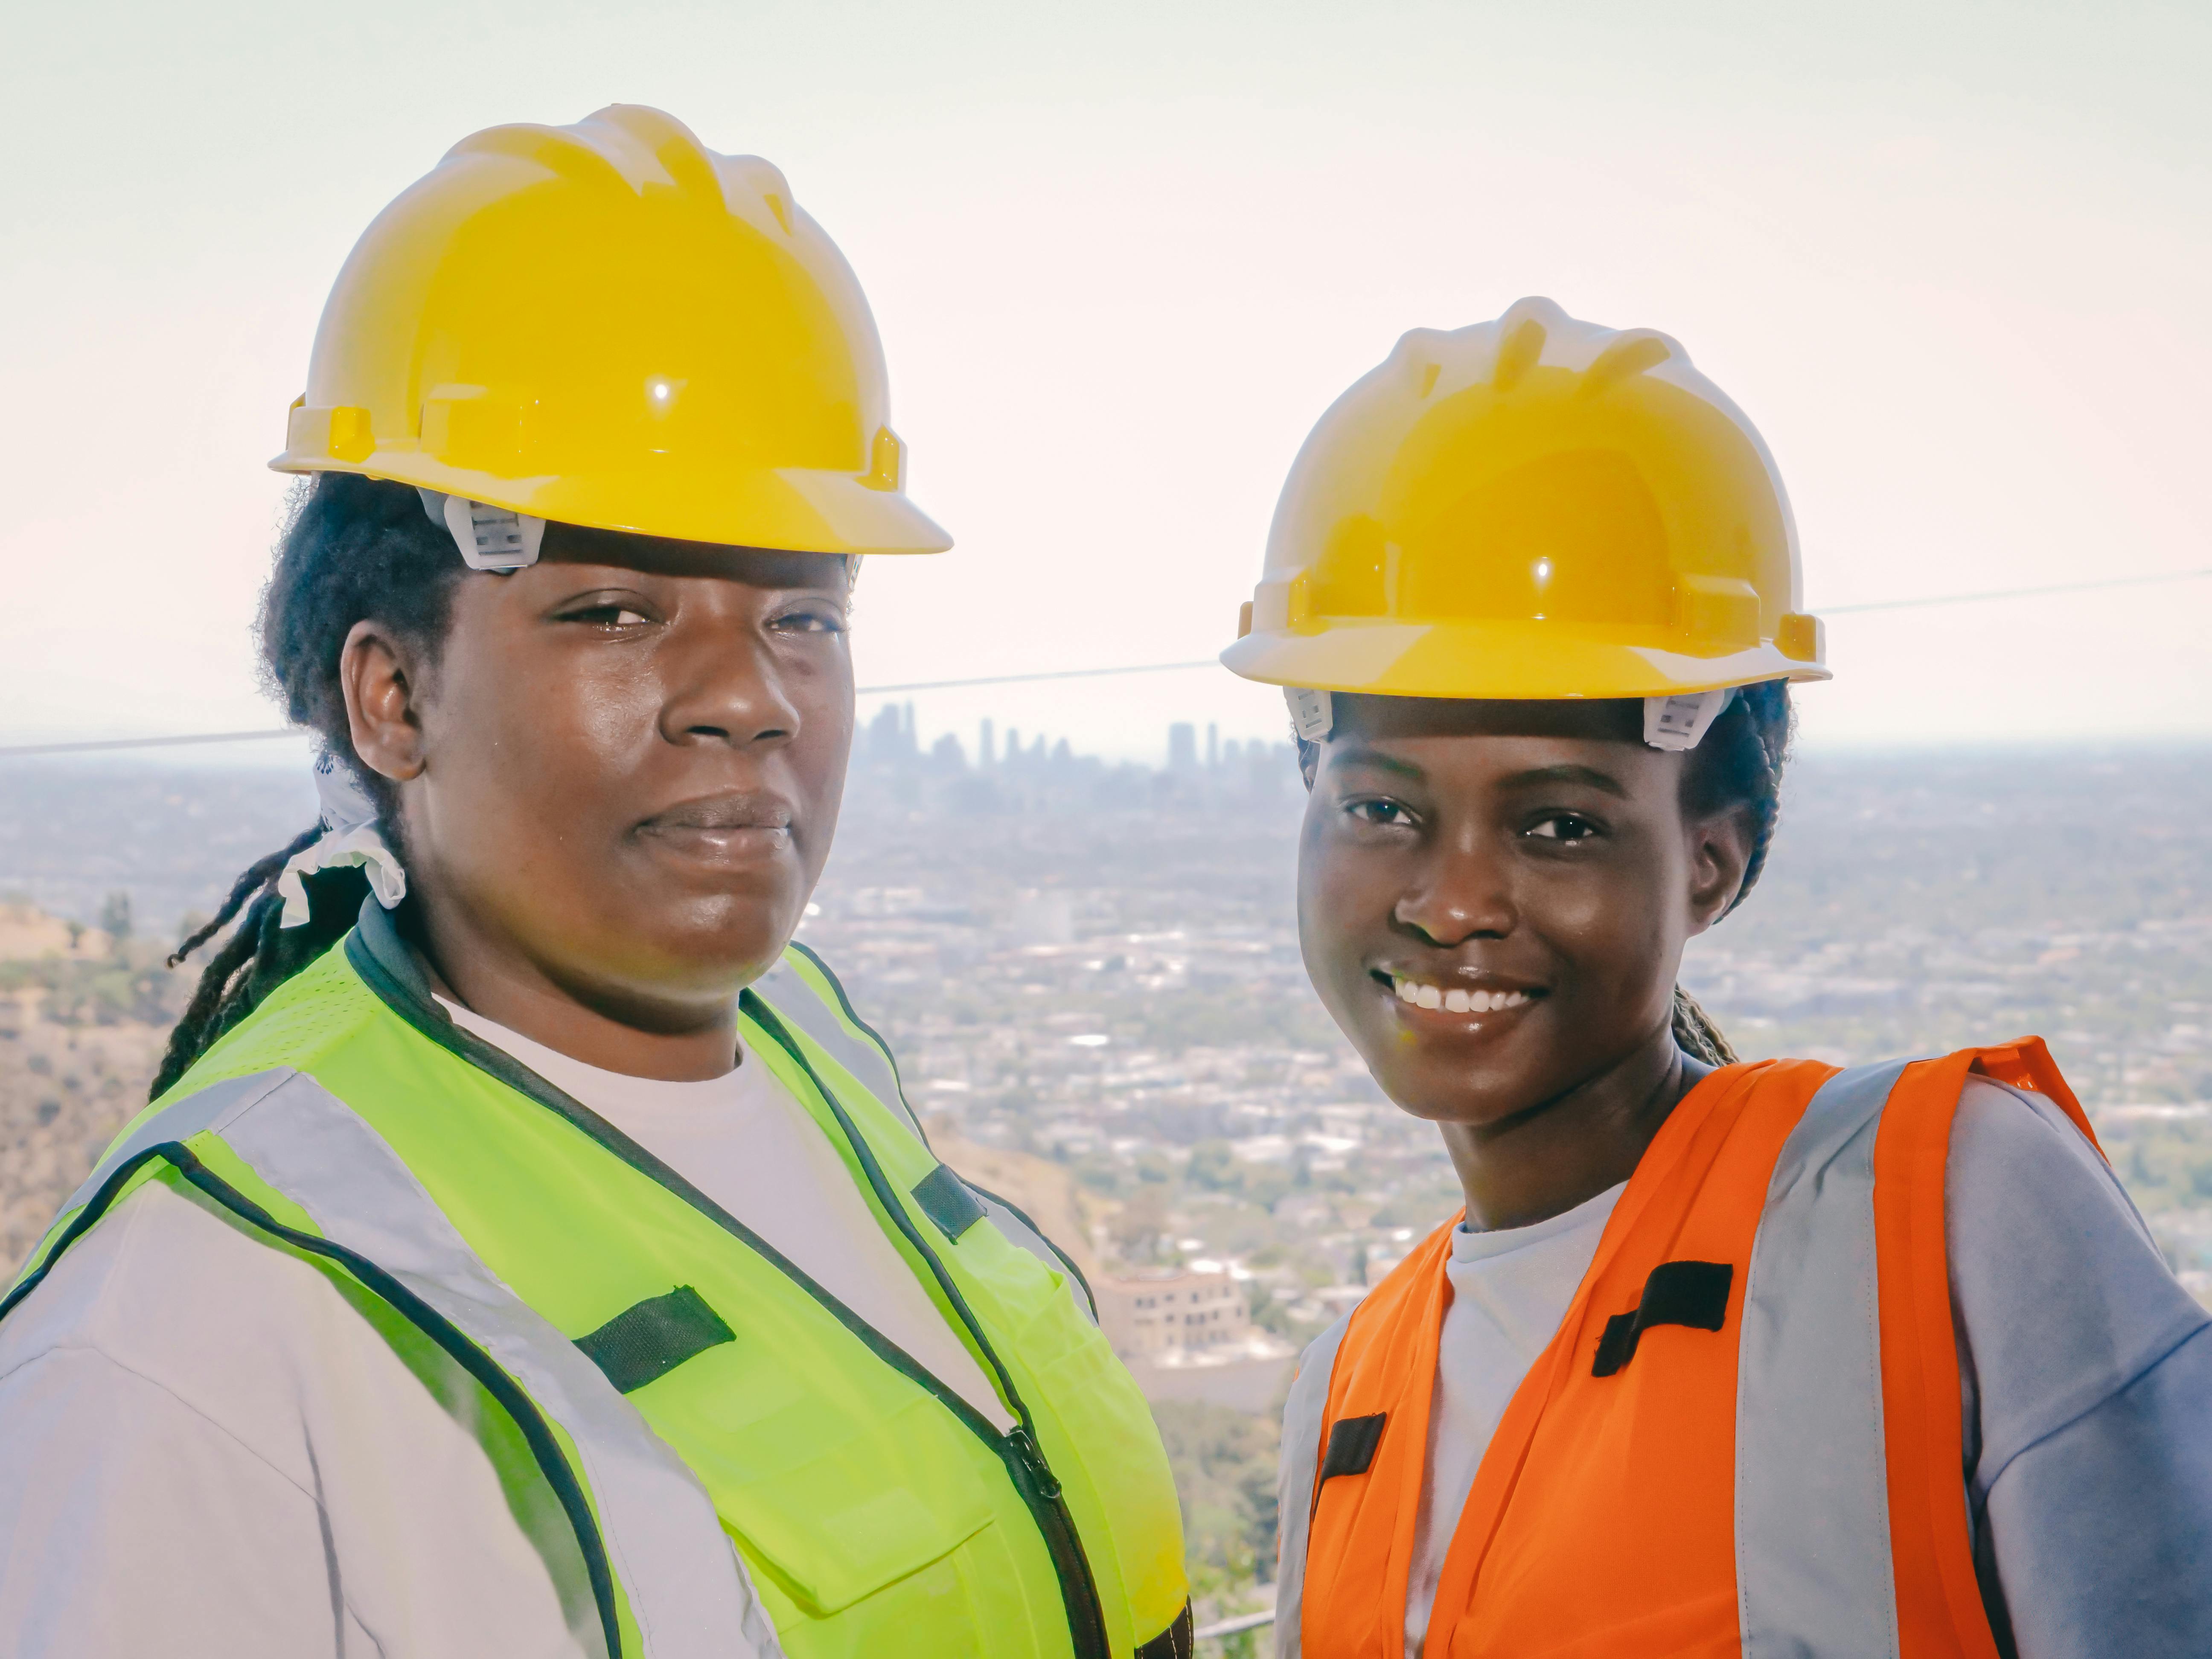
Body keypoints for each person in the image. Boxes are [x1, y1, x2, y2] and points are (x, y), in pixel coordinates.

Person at [0, 105, 1192, 1659]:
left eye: (805, 619)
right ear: (393, 701)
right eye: (618, 611)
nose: (745, 696)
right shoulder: (190, 1329)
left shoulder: (816, 1042)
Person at [1222, 297, 2212, 1657]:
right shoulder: (1350, 1399)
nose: (1452, 899)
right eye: (1381, 809)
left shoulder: (1945, 1214)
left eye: (1559, 823)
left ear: (1712, 861)